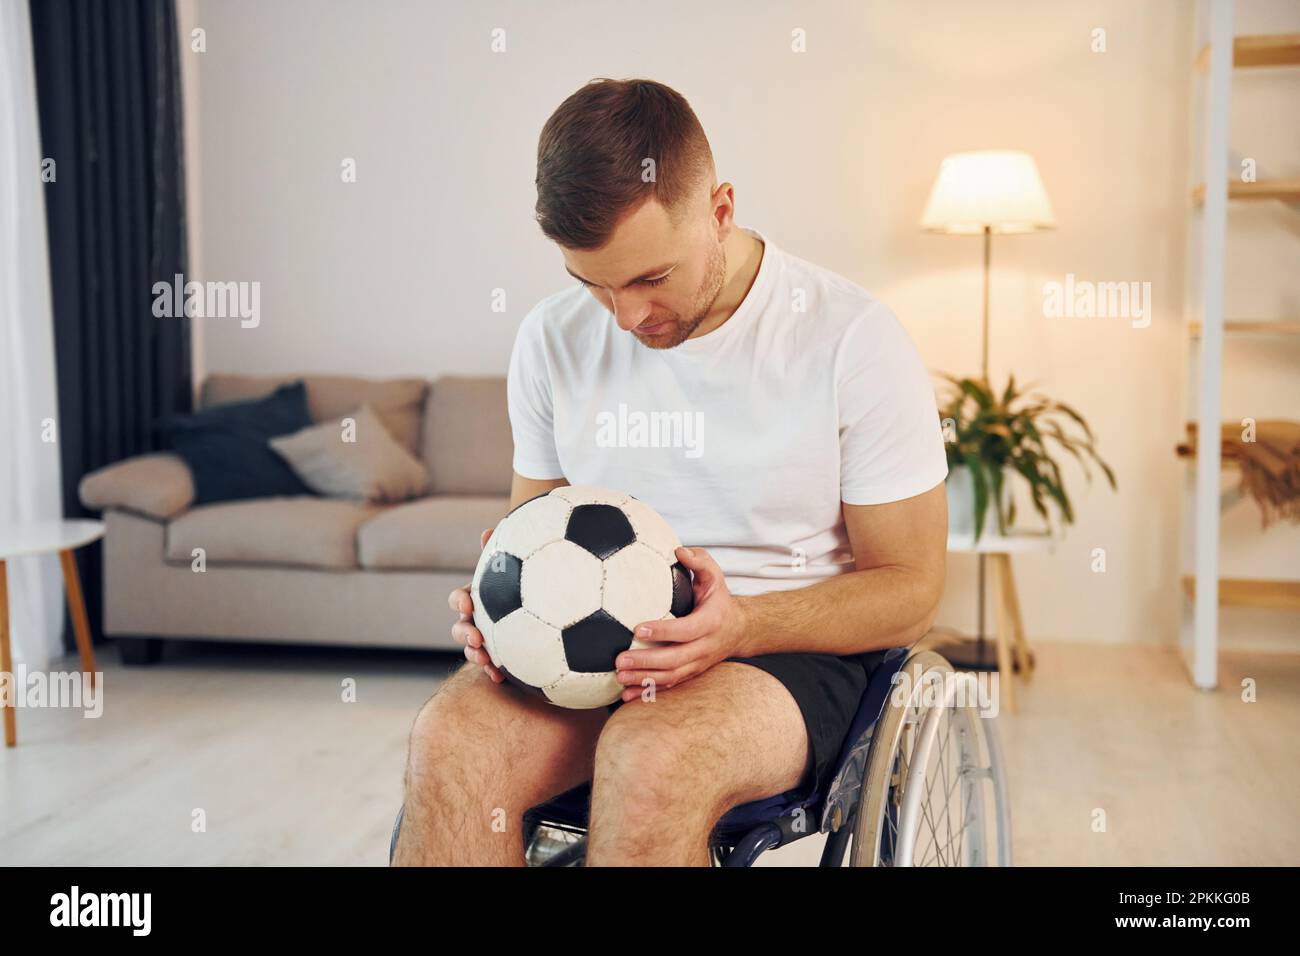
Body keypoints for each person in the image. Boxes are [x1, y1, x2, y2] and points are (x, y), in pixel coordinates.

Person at [392, 78, 947, 866]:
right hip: (598, 655)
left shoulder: (850, 338)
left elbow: (912, 587)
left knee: (652, 757)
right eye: (593, 284)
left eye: (651, 278)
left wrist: (743, 626)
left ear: (719, 210)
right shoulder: (551, 339)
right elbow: (531, 530)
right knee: (450, 741)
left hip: (787, 653)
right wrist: (498, 612)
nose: (625, 317)